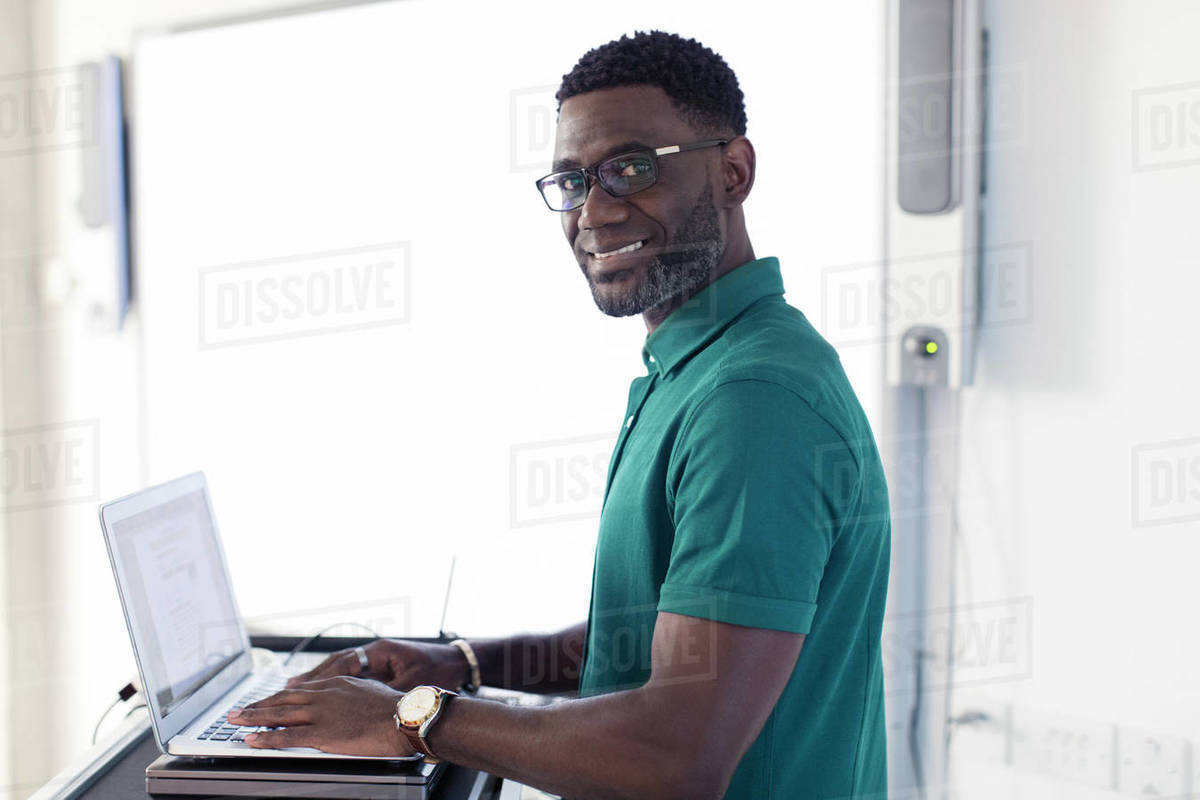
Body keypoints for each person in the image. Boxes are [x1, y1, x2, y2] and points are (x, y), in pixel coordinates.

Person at [230, 29, 891, 800]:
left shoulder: (752, 403)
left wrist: (416, 716)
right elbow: (660, 645)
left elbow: (676, 759)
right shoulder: (702, 371)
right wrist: (465, 666)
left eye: (632, 169)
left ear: (734, 172)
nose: (596, 211)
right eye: (572, 182)